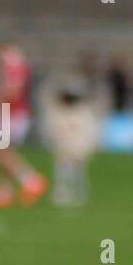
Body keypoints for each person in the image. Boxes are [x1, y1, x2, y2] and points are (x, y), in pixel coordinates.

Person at [0, 40, 47, 207]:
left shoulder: (12, 65)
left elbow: (12, 92)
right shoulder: (19, 64)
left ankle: (31, 180)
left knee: (0, 153)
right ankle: (4, 191)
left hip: (13, 113)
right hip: (16, 112)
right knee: (6, 153)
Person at [45, 75, 98, 207]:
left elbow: (89, 132)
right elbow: (55, 132)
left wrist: (86, 146)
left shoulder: (81, 112)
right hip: (66, 148)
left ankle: (77, 193)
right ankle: (63, 194)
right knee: (64, 172)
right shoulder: (59, 112)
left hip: (76, 148)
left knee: (76, 172)